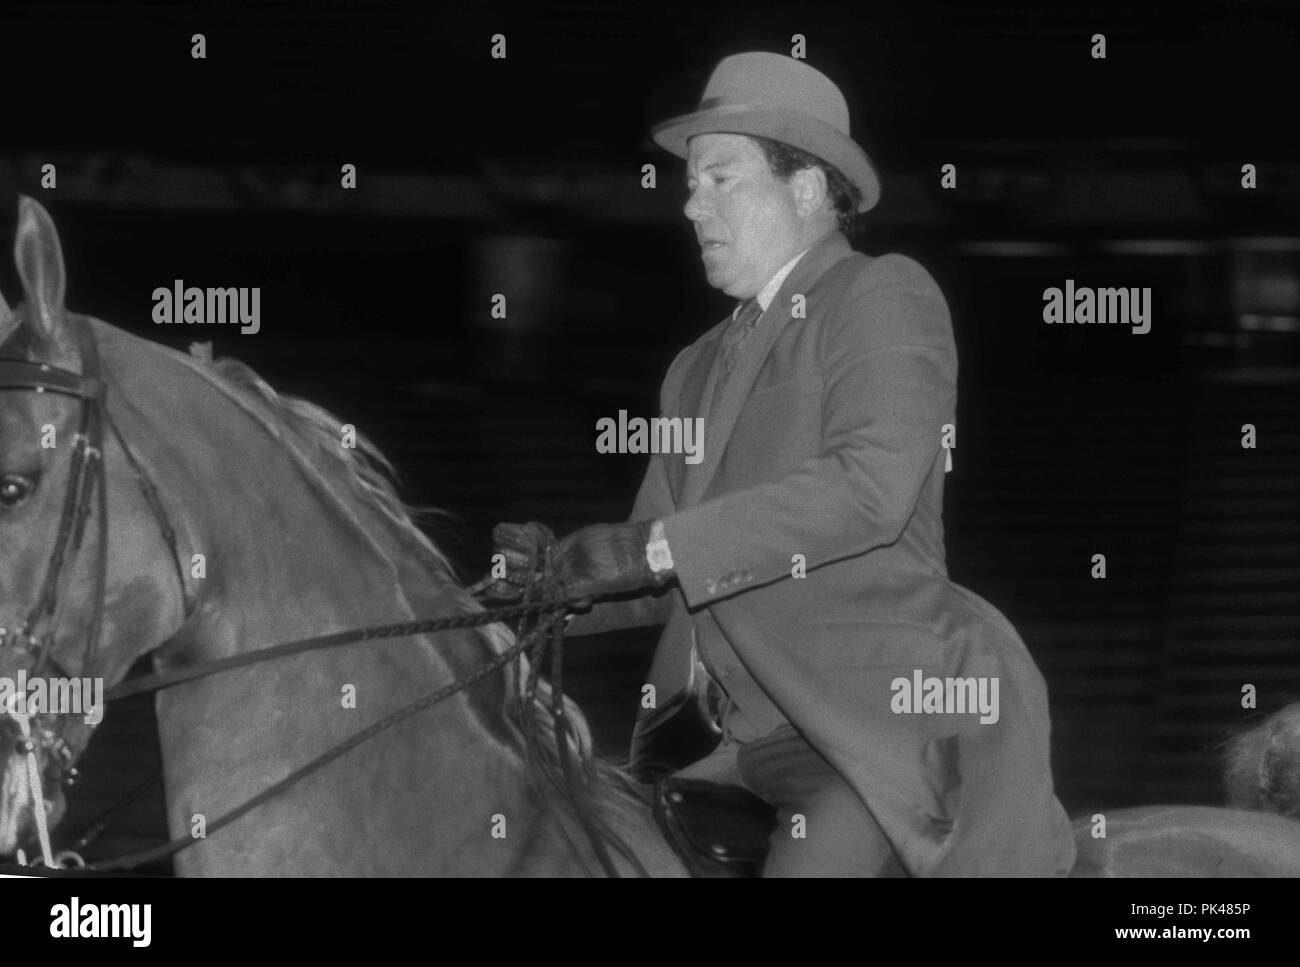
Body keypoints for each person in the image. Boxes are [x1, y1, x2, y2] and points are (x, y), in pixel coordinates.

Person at [492, 51, 1076, 877]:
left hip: (866, 726)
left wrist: (653, 545)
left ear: (807, 188)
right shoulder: (693, 366)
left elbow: (868, 489)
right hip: (736, 742)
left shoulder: (881, 296)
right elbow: (656, 565)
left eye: (719, 178)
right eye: (691, 184)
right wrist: (543, 586)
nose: (692, 205)